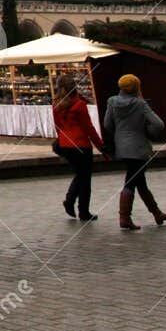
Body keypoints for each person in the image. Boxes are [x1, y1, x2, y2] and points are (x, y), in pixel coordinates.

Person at [102, 73, 166, 230]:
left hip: (121, 147)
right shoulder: (140, 104)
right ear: (136, 87)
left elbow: (107, 124)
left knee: (140, 181)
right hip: (139, 148)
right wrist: (147, 131)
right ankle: (124, 217)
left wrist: (119, 134)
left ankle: (157, 213)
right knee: (131, 181)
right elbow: (159, 124)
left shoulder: (112, 101)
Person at [52, 74, 101, 221]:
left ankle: (70, 201)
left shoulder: (56, 106)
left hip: (66, 144)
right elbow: (88, 128)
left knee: (80, 175)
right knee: (85, 179)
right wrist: (100, 145)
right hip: (81, 145)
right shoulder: (80, 105)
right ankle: (82, 210)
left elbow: (58, 127)